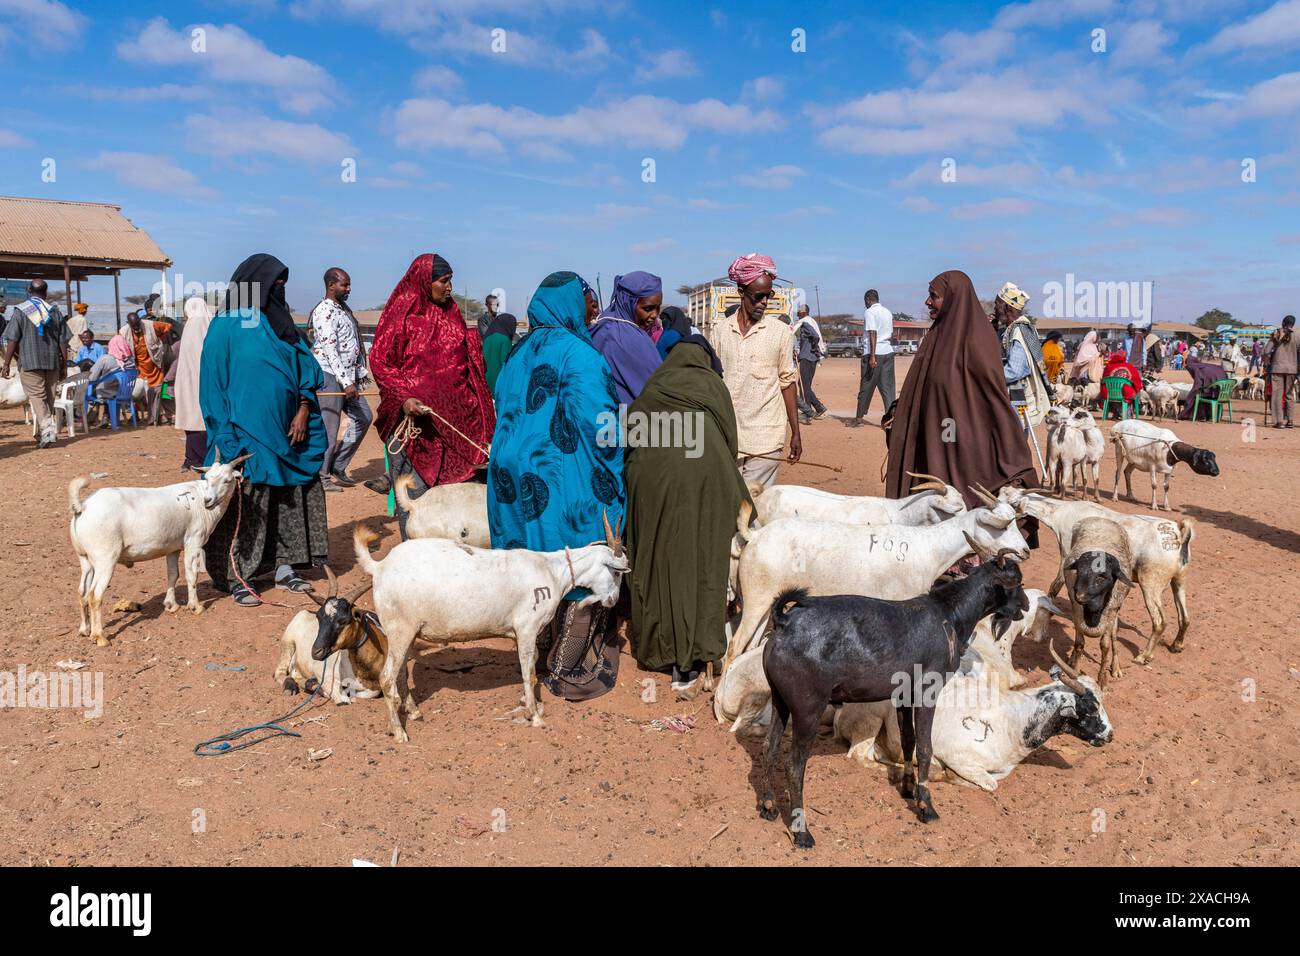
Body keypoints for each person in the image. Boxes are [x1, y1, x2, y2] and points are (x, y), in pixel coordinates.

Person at [487, 271, 624, 702]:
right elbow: (599, 425)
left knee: (530, 559)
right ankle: (564, 664)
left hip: (509, 477)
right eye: (587, 300)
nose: (593, 308)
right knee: (575, 557)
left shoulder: (517, 351)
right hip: (558, 477)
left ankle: (537, 645)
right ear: (571, 303)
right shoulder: (581, 355)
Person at [625, 330, 751, 696]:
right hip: (707, 484)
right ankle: (697, 655)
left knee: (660, 560)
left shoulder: (654, 385)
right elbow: (730, 444)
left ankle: (661, 649)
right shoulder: (713, 386)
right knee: (703, 562)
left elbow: (632, 442)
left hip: (655, 486)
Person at [200, 253, 329, 607]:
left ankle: (285, 566)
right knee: (248, 505)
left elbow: (307, 370)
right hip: (247, 435)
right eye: (275, 283)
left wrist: (303, 409)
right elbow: (212, 388)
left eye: (283, 284)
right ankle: (237, 574)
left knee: (290, 498)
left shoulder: (283, 323)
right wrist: (227, 439)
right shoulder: (226, 327)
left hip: (291, 433)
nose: (280, 290)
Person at [884, 270, 1037, 510]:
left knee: (966, 506)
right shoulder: (937, 335)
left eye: (933, 296)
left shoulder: (979, 338)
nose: (927, 302)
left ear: (954, 297)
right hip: (936, 435)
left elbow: (992, 394)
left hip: (963, 439)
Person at [369, 253, 495, 538]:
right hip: (416, 428)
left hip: (456, 427)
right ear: (425, 281)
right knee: (417, 502)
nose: (449, 287)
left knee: (454, 503)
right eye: (443, 281)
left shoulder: (452, 314)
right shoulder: (401, 314)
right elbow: (381, 361)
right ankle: (417, 565)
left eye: (451, 281)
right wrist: (404, 398)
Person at [709, 253, 801, 487]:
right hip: (728, 436)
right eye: (758, 296)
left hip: (766, 437)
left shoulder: (780, 333)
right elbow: (711, 382)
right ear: (741, 293)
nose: (763, 302)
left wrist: (796, 432)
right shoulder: (719, 332)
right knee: (729, 506)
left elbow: (787, 382)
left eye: (768, 296)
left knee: (752, 508)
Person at [310, 267, 374, 490]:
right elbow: (330, 349)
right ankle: (323, 477)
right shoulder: (323, 312)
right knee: (330, 427)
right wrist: (345, 382)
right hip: (329, 375)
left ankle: (338, 463)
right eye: (344, 285)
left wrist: (355, 376)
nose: (348, 289)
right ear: (331, 285)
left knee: (364, 416)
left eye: (348, 284)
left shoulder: (343, 310)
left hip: (348, 377)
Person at [1, 279, 71, 448]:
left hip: (30, 361)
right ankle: (42, 433)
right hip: (52, 361)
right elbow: (63, 341)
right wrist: (64, 364)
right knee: (48, 397)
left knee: (38, 397)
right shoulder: (55, 312)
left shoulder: (21, 311)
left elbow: (12, 339)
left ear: (29, 291)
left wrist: (7, 363)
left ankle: (47, 430)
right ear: (46, 293)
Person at [588, 271, 663, 405]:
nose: (654, 315)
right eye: (648, 309)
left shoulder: (603, 324)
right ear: (629, 302)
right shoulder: (629, 337)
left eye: (657, 309)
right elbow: (660, 391)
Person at [992, 281, 1050, 429]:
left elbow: (1015, 371)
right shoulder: (1021, 328)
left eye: (997, 305)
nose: (995, 310)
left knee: (1013, 446)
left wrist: (987, 375)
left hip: (1016, 400)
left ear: (1006, 307)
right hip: (1017, 399)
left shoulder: (1018, 331)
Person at [173, 296, 214, 470]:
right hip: (202, 379)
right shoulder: (206, 325)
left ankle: (191, 458)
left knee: (191, 417)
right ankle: (200, 459)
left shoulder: (189, 326)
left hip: (186, 380)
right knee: (200, 419)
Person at [847, 289, 896, 428]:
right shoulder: (887, 312)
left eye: (865, 302)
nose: (865, 304)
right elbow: (890, 334)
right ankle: (891, 418)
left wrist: (873, 356)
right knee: (888, 388)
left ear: (868, 299)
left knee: (866, 386)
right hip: (888, 352)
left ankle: (858, 419)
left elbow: (872, 333)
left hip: (873, 354)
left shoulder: (869, 312)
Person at [123, 308, 166, 424]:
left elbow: (168, 327)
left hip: (155, 366)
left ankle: (158, 416)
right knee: (137, 391)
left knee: (158, 391)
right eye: (134, 326)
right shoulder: (123, 332)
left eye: (138, 325)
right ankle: (136, 416)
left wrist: (160, 342)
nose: (136, 328)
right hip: (139, 368)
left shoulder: (151, 326)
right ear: (129, 324)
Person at [791, 304, 827, 423]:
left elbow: (815, 337)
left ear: (804, 312)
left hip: (807, 358)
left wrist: (813, 349)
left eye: (799, 311)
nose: (797, 313)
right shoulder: (812, 321)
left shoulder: (805, 323)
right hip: (812, 358)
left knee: (803, 386)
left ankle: (808, 414)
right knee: (805, 386)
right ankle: (819, 408)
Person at [1265, 315, 1296, 428]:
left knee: (1277, 395)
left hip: (1277, 368)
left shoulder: (1277, 333)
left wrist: (1267, 361)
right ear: (1293, 324)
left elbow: (1267, 350)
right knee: (1289, 395)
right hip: (1292, 369)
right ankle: (1290, 421)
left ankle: (1279, 422)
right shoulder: (1297, 335)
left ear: (1283, 322)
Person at [481, 311, 517, 394]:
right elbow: (506, 362)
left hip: (485, 380)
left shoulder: (487, 337)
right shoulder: (504, 339)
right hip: (499, 382)